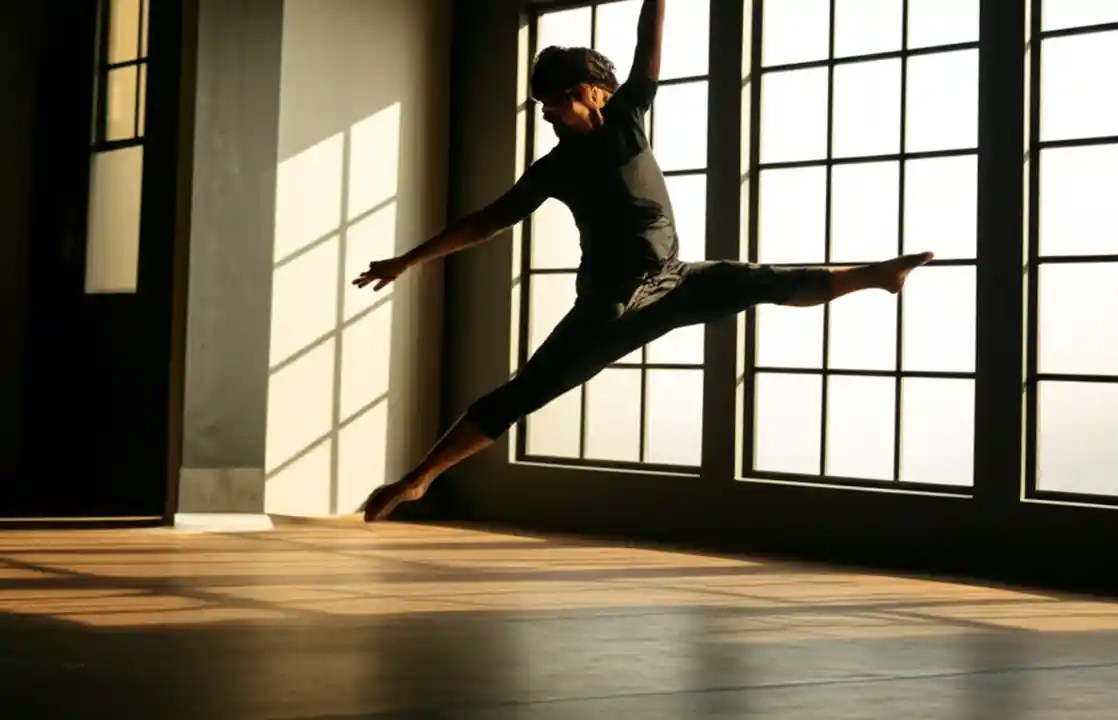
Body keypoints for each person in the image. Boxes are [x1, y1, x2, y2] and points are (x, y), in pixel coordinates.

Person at [354, 0, 932, 522]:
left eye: (562, 99)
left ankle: (878, 275)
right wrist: (407, 260)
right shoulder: (554, 168)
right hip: (615, 302)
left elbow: (647, 43)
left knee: (760, 281)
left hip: (673, 280)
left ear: (594, 92)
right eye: (546, 106)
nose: (553, 113)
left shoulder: (629, 113)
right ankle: (418, 480)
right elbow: (484, 221)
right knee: (527, 390)